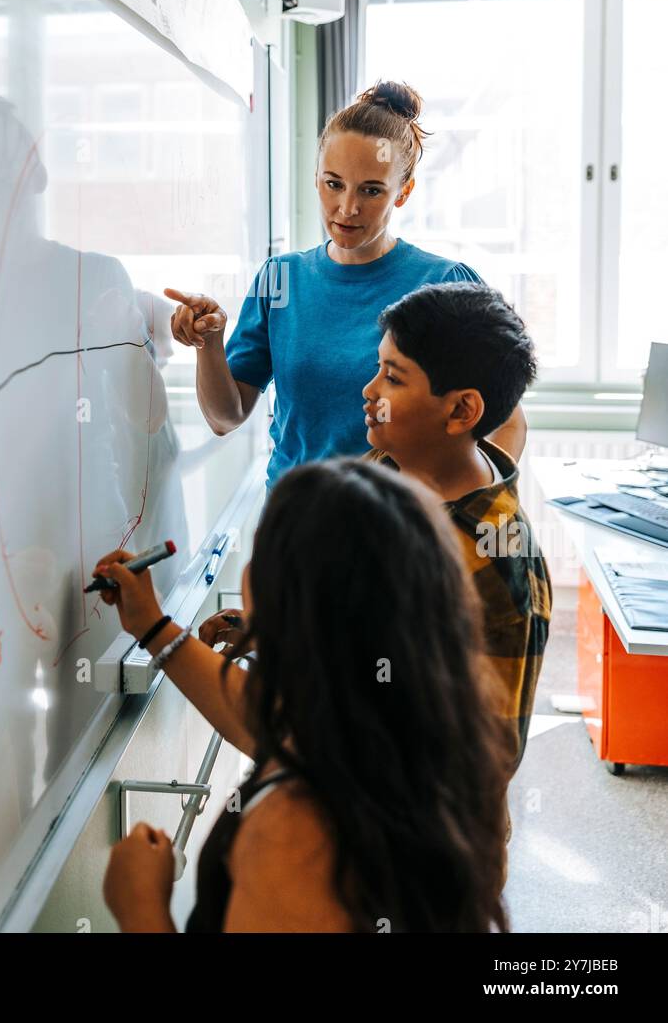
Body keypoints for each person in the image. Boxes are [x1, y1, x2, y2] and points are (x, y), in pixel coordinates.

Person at [96, 459, 512, 933]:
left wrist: (141, 909)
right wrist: (152, 627)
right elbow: (261, 718)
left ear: (294, 600)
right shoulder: (409, 727)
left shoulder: (296, 836)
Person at [165, 79, 525, 493]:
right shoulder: (281, 279)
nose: (347, 208)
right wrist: (208, 343)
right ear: (316, 177)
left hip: (399, 533)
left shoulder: (444, 284)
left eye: (371, 191)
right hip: (295, 526)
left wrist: (457, 518)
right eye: (334, 184)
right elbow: (224, 418)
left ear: (403, 192)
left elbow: (508, 424)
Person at [362, 281, 553, 772]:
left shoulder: (494, 561)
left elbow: (486, 761)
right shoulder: (390, 463)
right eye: (378, 368)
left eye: (393, 378)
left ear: (461, 410)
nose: (369, 391)